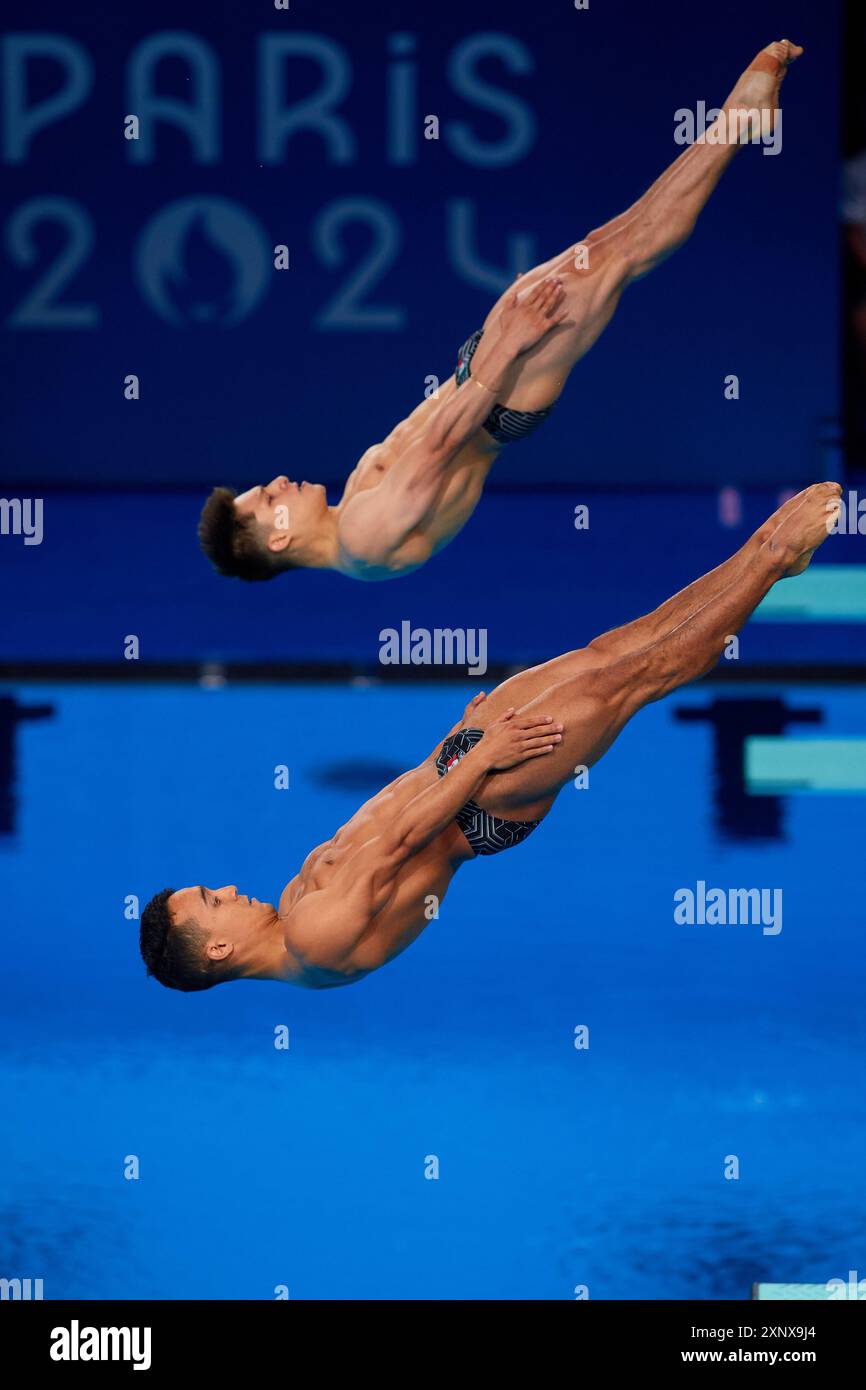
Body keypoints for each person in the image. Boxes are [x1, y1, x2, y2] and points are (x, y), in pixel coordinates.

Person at [143, 482, 840, 993]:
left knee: (615, 650)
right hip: (483, 801)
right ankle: (773, 557)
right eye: (212, 900)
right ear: (219, 949)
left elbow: (388, 813)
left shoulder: (297, 909)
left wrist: (455, 743)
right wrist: (479, 758)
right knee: (639, 677)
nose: (228, 887)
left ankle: (761, 558)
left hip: (463, 767)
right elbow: (403, 842)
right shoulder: (314, 943)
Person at [198, 39, 802, 583]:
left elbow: (430, 426)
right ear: (278, 536)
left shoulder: (349, 510)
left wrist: (491, 347)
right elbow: (440, 445)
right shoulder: (364, 539)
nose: (278, 482)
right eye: (266, 497)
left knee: (606, 245)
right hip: (497, 396)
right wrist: (510, 341)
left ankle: (739, 120)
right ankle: (740, 121)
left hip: (484, 376)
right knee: (623, 255)